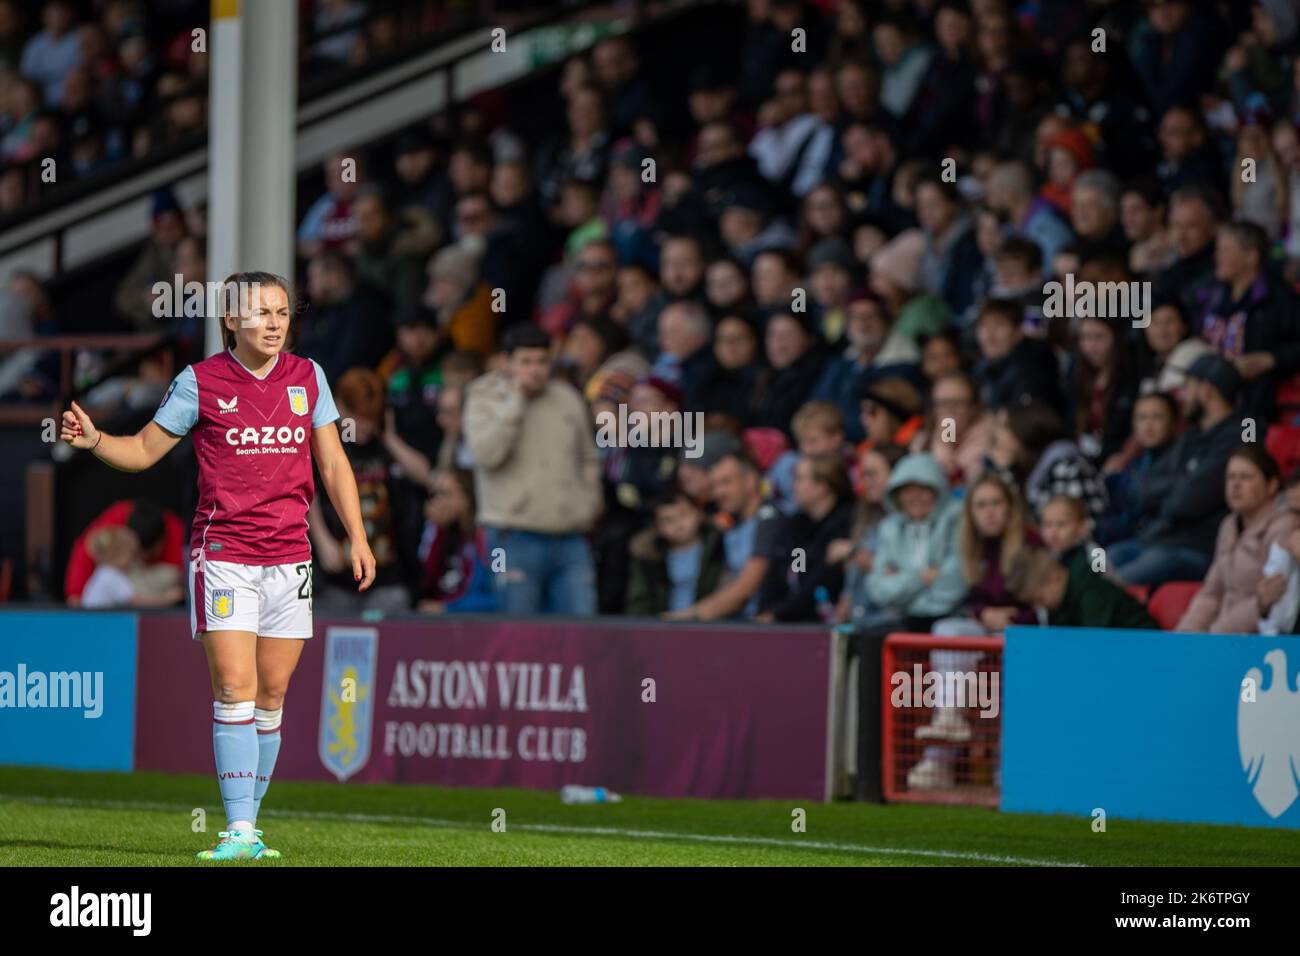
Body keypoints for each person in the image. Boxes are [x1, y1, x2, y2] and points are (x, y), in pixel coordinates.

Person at [60, 272, 377, 861]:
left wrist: (356, 536)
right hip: (225, 554)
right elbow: (145, 449)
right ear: (230, 320)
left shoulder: (309, 378)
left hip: (291, 557)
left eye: (283, 311)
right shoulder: (200, 382)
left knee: (273, 694)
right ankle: (238, 831)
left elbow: (332, 463)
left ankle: (248, 826)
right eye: (261, 313)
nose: (276, 322)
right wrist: (98, 439)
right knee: (235, 685)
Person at [463, 324, 601, 615]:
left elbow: (588, 458)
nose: (535, 370)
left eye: (542, 361)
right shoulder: (484, 396)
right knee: (521, 637)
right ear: (506, 362)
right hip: (512, 535)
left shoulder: (567, 397)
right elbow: (486, 455)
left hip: (570, 536)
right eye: (526, 362)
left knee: (584, 630)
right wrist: (515, 402)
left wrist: (588, 505)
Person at [1111, 355, 1249, 587]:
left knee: (1115, 584)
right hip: (1158, 539)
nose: (1182, 395)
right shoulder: (1192, 436)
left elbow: (1187, 501)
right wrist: (1181, 484)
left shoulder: (1239, 435)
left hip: (1197, 548)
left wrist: (1174, 491)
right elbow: (1143, 488)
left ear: (1206, 391)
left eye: (1187, 387)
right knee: (1104, 560)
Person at [1177, 446, 1296, 634]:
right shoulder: (1228, 525)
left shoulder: (1284, 526)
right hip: (1221, 637)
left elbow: (1268, 599)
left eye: (1246, 477)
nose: (1235, 485)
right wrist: (1186, 634)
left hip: (1256, 645)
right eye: (1231, 477)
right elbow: (1211, 593)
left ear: (1272, 485)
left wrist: (1214, 634)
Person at [663, 450, 785, 621]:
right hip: (730, 625)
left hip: (764, 629)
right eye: (714, 486)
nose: (718, 493)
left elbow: (746, 586)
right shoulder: (726, 526)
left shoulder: (770, 519)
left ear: (750, 480)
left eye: (726, 483)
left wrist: (691, 616)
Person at [864, 452, 967, 629]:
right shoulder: (889, 527)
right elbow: (878, 589)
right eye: (908, 491)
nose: (915, 497)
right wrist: (922, 578)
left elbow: (956, 580)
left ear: (937, 490)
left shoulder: (956, 520)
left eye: (922, 490)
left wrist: (901, 581)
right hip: (902, 620)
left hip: (951, 616)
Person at [755, 454, 855, 621]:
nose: (793, 485)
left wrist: (777, 614)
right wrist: (767, 610)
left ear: (822, 486)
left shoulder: (847, 525)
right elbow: (793, 574)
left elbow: (819, 585)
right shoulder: (798, 525)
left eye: (799, 479)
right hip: (790, 618)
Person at [988, 402, 1107, 522]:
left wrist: (1005, 470)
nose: (996, 434)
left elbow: (1068, 526)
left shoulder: (1066, 465)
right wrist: (1004, 469)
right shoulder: (1024, 467)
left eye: (1004, 426)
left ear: (1025, 428)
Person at [626, 489, 727, 616]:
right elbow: (639, 602)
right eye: (668, 520)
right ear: (657, 527)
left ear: (698, 513)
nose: (679, 524)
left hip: (711, 625)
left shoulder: (718, 546)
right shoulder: (649, 557)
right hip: (665, 629)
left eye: (683, 514)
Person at [1007, 546, 1159, 629]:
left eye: (1039, 598)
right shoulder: (1061, 605)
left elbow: (1092, 646)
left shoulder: (1091, 592)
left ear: (1054, 577)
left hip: (1144, 647)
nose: (1038, 606)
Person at [414, 468, 498, 614]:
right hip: (448, 618)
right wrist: (437, 528)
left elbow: (498, 596)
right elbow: (426, 579)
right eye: (435, 494)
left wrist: (448, 609)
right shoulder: (445, 531)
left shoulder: (489, 538)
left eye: (446, 494)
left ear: (467, 499)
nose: (437, 501)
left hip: (475, 621)